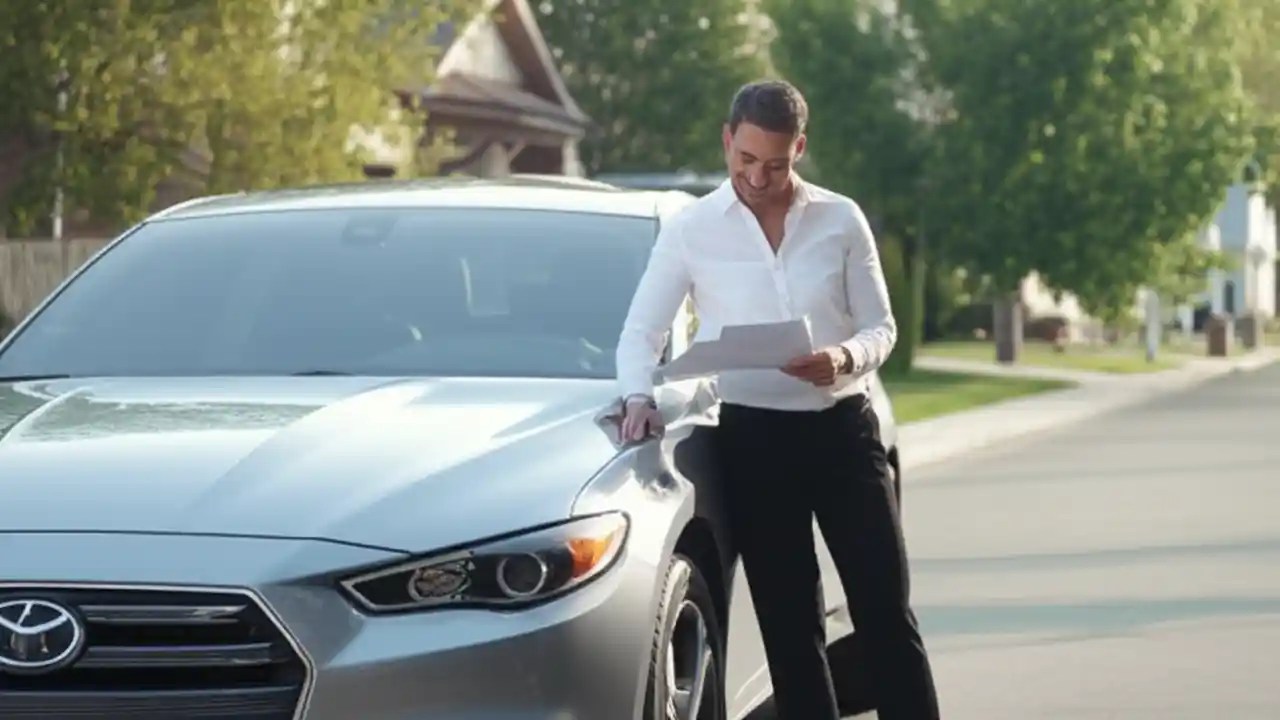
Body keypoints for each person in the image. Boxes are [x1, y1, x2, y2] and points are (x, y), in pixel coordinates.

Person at [614, 80, 941, 720]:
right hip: (754, 443)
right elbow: (639, 334)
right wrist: (636, 396)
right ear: (727, 139)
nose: (758, 178)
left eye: (777, 164)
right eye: (745, 161)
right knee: (791, 631)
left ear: (800, 150)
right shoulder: (691, 231)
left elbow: (882, 327)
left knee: (884, 613)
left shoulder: (840, 219)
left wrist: (845, 357)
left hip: (843, 433)